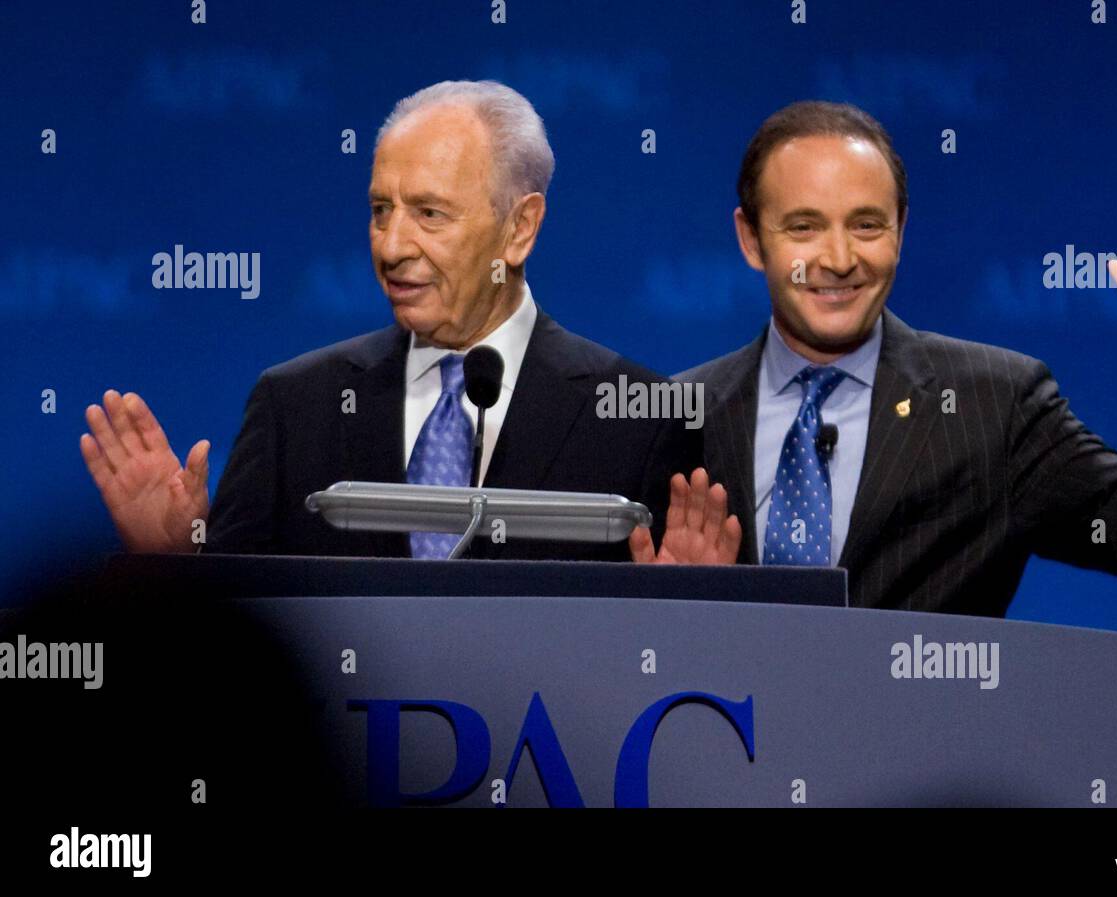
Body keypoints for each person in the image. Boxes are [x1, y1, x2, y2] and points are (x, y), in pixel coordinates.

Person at [79, 80, 736, 563]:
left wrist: (684, 613)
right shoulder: (294, 407)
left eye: (429, 214)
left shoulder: (637, 418)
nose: (391, 246)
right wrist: (173, 564)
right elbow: (237, 664)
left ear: (520, 227)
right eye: (379, 210)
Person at [676, 100, 1117, 614]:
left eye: (866, 225)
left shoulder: (996, 405)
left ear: (900, 231)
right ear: (751, 239)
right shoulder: (676, 416)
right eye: (804, 227)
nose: (838, 257)